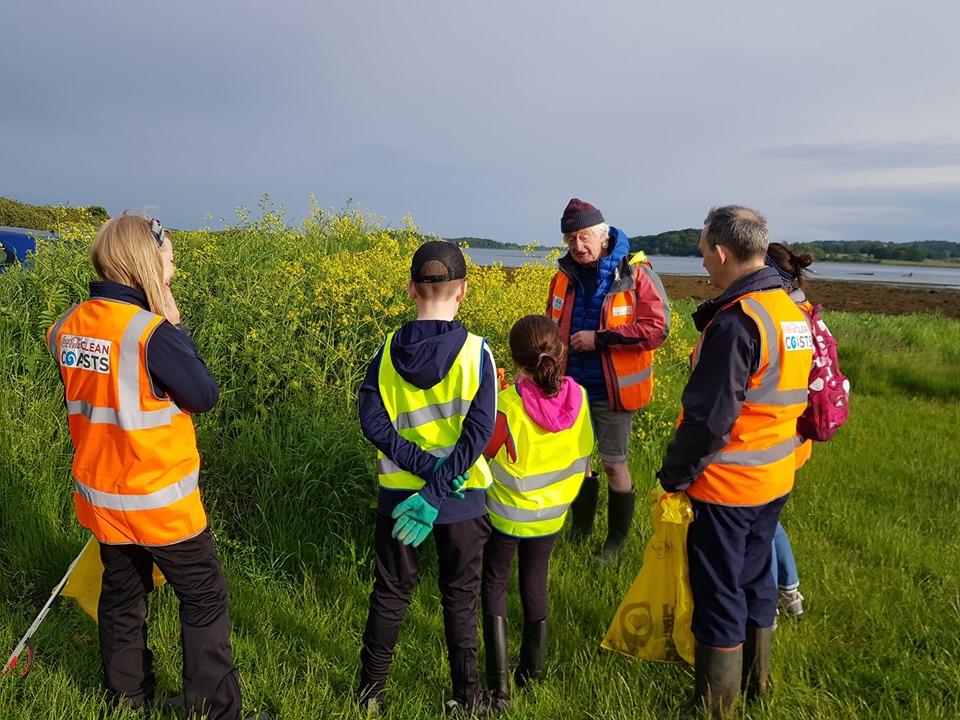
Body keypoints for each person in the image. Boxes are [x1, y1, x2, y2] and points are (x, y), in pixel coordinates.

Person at [46, 213, 258, 720]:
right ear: (144, 261)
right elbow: (204, 395)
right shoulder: (151, 333)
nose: (174, 270)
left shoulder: (67, 326)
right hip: (160, 500)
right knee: (205, 597)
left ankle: (127, 699)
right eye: (168, 259)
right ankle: (214, 712)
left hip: (102, 498)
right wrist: (173, 323)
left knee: (122, 595)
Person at [656, 206, 814, 718]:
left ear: (722, 252)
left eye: (703, 251)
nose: (704, 262)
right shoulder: (790, 309)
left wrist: (675, 476)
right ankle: (756, 684)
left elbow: (707, 420)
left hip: (727, 485)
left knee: (719, 591)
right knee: (755, 579)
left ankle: (713, 705)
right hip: (775, 476)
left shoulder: (738, 322)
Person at [355, 240, 500, 716]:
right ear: (462, 291)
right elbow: (479, 433)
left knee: (390, 593)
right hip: (461, 501)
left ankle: (369, 697)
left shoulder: (385, 349)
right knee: (460, 599)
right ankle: (467, 698)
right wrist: (439, 482)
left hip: (398, 497)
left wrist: (418, 471)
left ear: (411, 288)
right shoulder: (479, 353)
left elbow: (373, 423)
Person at [547, 198, 671, 563]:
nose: (578, 247)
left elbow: (657, 329)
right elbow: (550, 327)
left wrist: (599, 338)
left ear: (603, 235)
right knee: (578, 463)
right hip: (571, 389)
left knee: (614, 463)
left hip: (614, 391)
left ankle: (615, 542)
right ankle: (580, 529)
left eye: (583, 237)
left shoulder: (636, 274)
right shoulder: (562, 276)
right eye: (570, 240)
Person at [480, 315, 595, 704]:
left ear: (515, 360)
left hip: (507, 516)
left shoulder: (507, 405)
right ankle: (532, 674)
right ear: (560, 353)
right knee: (535, 582)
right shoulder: (578, 398)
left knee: (494, 584)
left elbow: (483, 455)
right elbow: (584, 452)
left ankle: (498, 686)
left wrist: (492, 399)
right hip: (551, 516)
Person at [766, 240, 820, 622]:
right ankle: (790, 593)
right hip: (795, 436)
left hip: (774, 440)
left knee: (761, 524)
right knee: (771, 520)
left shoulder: (781, 315)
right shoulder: (803, 312)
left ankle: (767, 602)